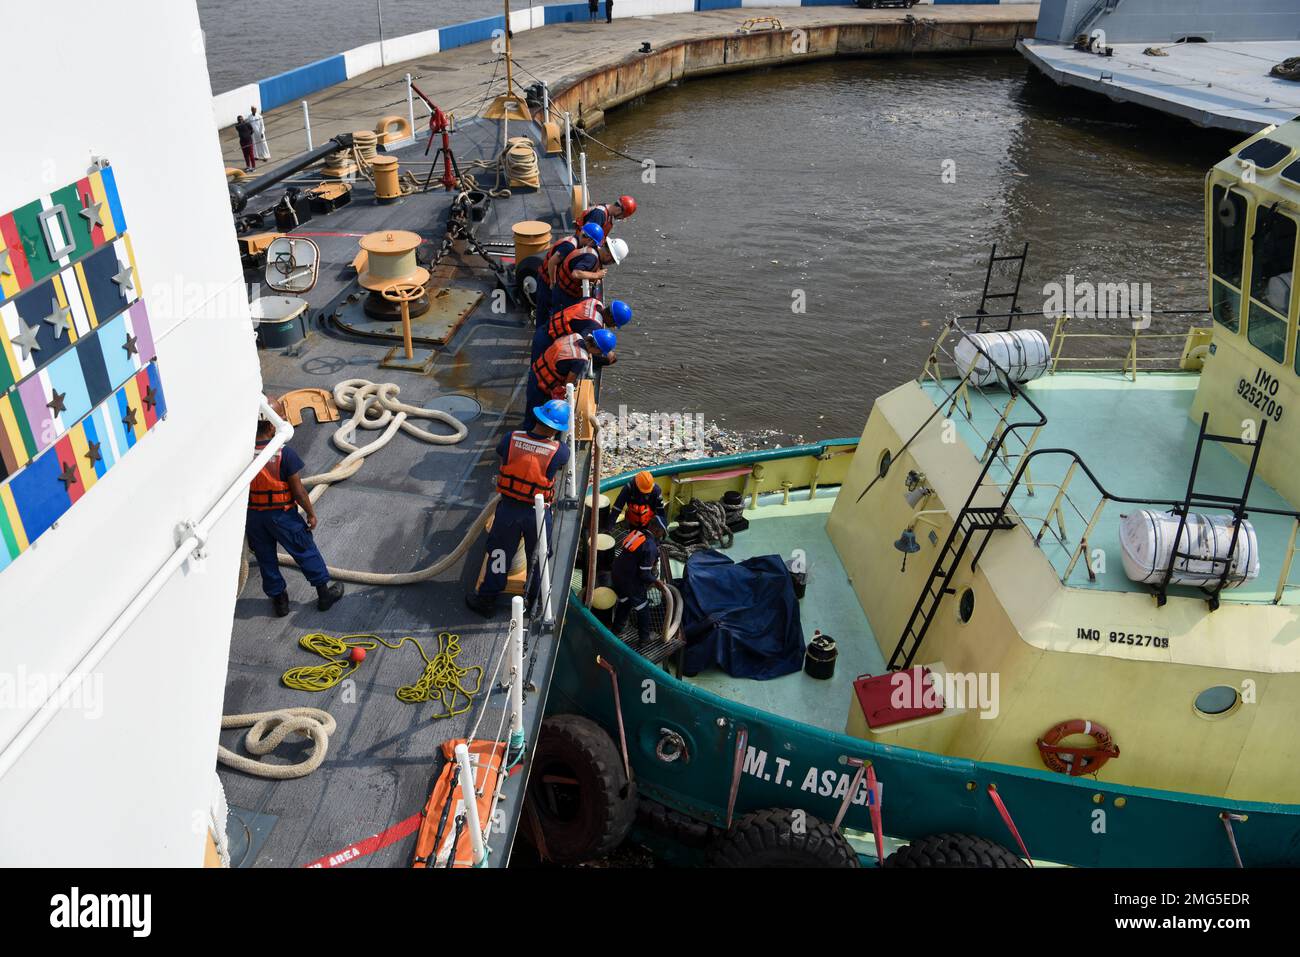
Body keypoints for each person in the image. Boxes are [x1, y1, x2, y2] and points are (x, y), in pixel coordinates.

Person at [466, 400, 572, 618]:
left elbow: (503, 456)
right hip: (538, 513)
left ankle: (486, 600)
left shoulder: (510, 438)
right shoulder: (560, 451)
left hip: (509, 510)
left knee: (499, 553)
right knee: (539, 555)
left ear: (537, 417)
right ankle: (534, 602)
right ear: (556, 429)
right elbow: (556, 464)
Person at [247, 412, 345, 617]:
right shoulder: (284, 454)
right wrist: (311, 513)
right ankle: (324, 595)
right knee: (305, 549)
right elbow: (298, 490)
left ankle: (280, 601)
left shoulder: (244, 454)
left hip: (254, 517)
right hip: (282, 516)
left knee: (266, 558)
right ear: (272, 427)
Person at [525, 328, 616, 430]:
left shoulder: (575, 336)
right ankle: (530, 436)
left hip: (536, 372)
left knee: (530, 410)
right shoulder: (580, 359)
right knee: (535, 419)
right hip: (542, 386)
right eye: (599, 353)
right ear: (597, 348)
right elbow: (568, 384)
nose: (598, 355)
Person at [531, 296, 631, 363]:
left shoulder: (594, 302)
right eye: (614, 323)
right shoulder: (594, 325)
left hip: (547, 327)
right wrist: (607, 357)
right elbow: (586, 347)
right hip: (546, 341)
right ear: (610, 317)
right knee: (538, 372)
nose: (613, 327)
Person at [536, 222, 601, 325]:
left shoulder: (577, 244)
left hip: (551, 280)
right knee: (543, 311)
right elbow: (552, 262)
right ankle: (540, 332)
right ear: (589, 240)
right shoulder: (569, 246)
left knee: (549, 310)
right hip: (546, 280)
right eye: (594, 244)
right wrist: (553, 282)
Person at [551, 231, 629, 313]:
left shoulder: (593, 250)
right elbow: (576, 273)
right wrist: (597, 275)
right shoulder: (591, 259)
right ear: (609, 255)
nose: (610, 264)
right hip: (563, 295)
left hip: (564, 292)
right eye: (612, 261)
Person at [611, 524, 661, 644]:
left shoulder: (637, 534)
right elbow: (644, 574)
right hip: (630, 581)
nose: (662, 535)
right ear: (657, 530)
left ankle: (617, 628)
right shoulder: (650, 546)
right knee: (643, 607)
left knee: (625, 601)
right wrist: (655, 581)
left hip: (616, 574)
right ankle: (645, 637)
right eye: (662, 532)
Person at [611, 470, 667, 536]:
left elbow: (660, 511)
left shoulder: (656, 491)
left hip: (648, 524)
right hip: (633, 523)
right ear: (636, 484)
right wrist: (609, 527)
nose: (645, 494)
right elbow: (617, 508)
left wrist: (663, 529)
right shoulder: (628, 488)